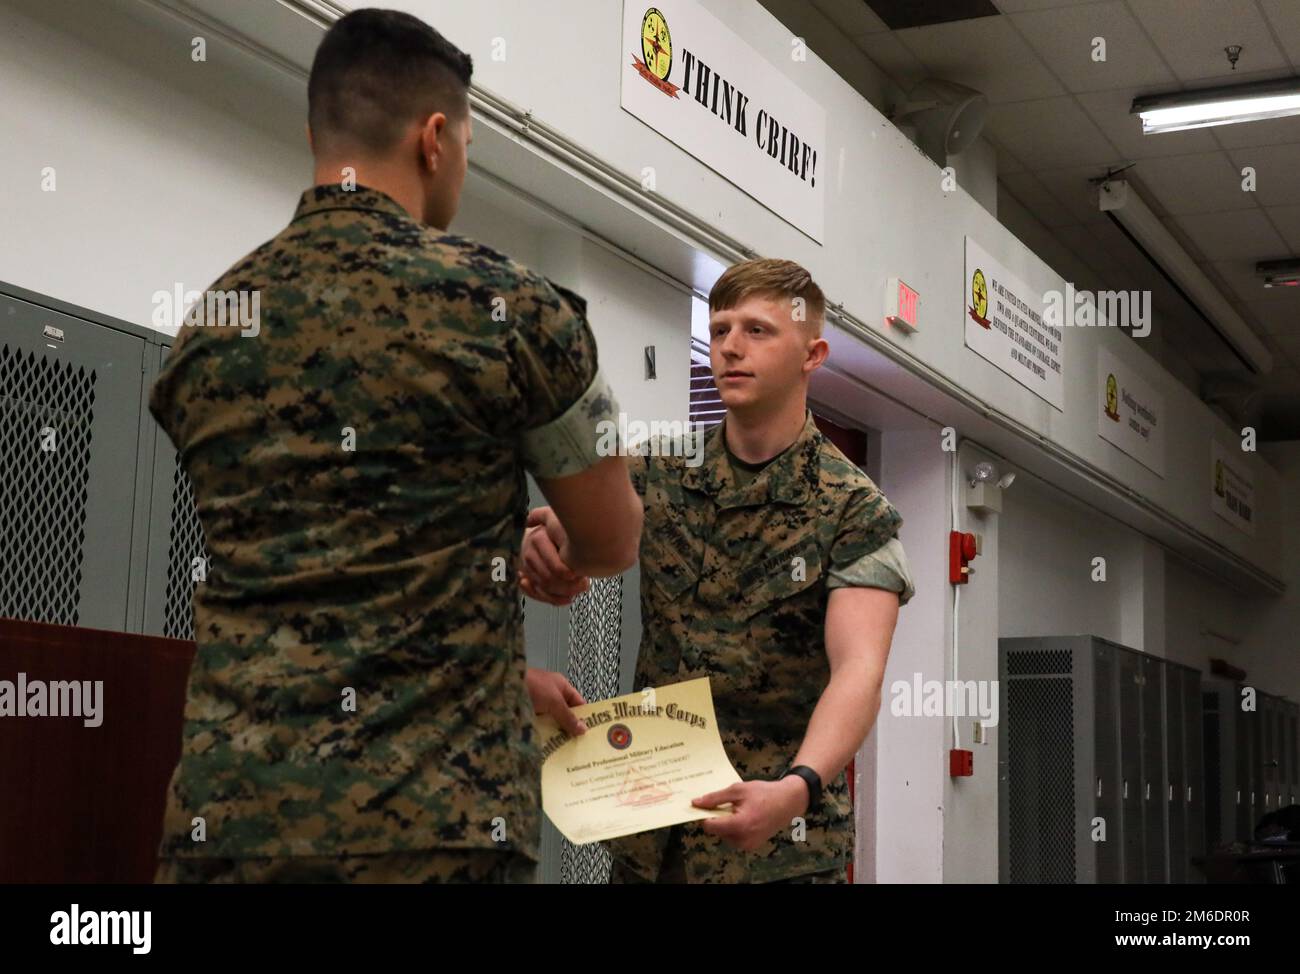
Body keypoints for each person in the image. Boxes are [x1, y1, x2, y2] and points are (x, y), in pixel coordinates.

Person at [149, 7, 641, 884]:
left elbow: (319, 560)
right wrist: (548, 543)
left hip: (230, 821)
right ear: (437, 137)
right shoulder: (512, 310)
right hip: (433, 825)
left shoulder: (208, 328)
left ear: (314, 132)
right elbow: (613, 538)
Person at [521, 258, 913, 883]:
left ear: (813, 354)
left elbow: (859, 671)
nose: (731, 346)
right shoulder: (658, 471)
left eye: (757, 330)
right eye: (721, 328)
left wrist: (798, 787)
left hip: (774, 848)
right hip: (650, 836)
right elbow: (565, 529)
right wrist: (543, 547)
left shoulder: (854, 510)